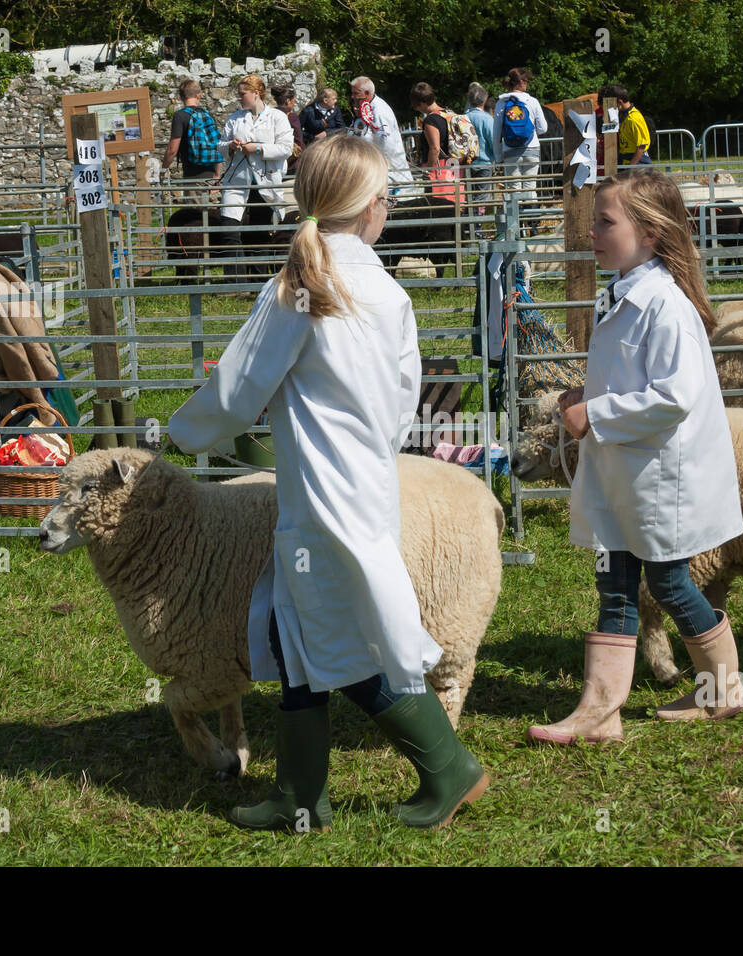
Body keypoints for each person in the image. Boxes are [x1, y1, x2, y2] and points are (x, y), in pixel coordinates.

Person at [168, 134, 489, 830]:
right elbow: (405, 403)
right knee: (301, 632)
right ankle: (302, 796)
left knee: (343, 634)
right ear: (373, 207)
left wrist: (179, 435)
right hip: (367, 486)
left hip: (315, 496)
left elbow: (238, 389)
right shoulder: (385, 291)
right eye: (387, 197)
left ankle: (447, 766)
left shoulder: (298, 286)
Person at [528, 168, 743, 745]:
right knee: (615, 583)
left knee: (669, 584)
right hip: (626, 472)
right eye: (593, 221)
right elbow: (630, 378)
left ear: (650, 233)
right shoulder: (626, 291)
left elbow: (675, 396)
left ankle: (722, 689)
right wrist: (587, 397)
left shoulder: (664, 305)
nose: (592, 233)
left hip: (655, 476)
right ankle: (601, 713)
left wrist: (592, 414)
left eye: (606, 222)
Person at [217, 74, 295, 280]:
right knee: (229, 230)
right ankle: (235, 282)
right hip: (237, 182)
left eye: (242, 94)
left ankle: (259, 281)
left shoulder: (278, 117)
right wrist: (231, 146)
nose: (239, 98)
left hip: (266, 182)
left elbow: (286, 148)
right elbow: (220, 145)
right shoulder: (234, 118)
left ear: (256, 93)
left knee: (258, 232)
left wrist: (258, 148)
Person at [349, 76, 418, 198]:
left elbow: (386, 143)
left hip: (388, 169)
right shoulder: (367, 107)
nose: (352, 96)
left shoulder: (379, 110)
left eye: (355, 93)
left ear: (367, 93)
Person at [492, 67, 549, 207]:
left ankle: (517, 227)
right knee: (530, 188)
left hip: (510, 151)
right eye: (527, 80)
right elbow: (543, 129)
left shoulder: (501, 103)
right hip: (532, 148)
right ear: (521, 82)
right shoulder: (532, 101)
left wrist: (498, 158)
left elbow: (496, 133)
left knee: (514, 190)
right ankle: (532, 226)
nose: (527, 83)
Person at [162, 80, 223, 182]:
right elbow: (217, 144)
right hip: (210, 171)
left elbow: (172, 150)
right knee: (204, 197)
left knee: (193, 198)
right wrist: (217, 175)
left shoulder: (180, 116)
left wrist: (163, 169)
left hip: (191, 173)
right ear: (199, 95)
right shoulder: (208, 114)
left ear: (181, 96)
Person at [465, 82, 495, 216]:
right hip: (484, 162)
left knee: (467, 196)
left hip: (465, 163)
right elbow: (493, 141)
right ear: (484, 100)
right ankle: (477, 226)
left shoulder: (462, 118)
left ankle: (468, 227)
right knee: (481, 197)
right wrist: (496, 158)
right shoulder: (488, 119)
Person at [270, 86, 305, 173]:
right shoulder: (292, 117)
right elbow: (298, 139)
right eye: (294, 101)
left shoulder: (270, 114)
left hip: (272, 157)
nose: (294, 104)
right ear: (288, 101)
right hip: (291, 161)